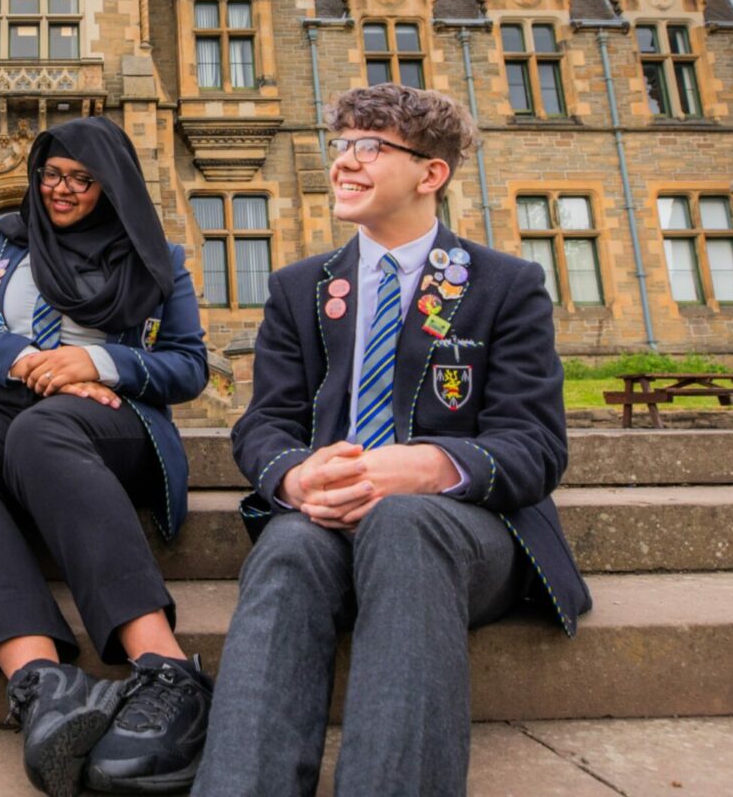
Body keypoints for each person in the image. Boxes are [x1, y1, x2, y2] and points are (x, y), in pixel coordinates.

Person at [194, 84, 590, 797]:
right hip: (327, 527)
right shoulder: (299, 289)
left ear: (430, 174)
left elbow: (535, 445)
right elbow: (265, 423)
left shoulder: (505, 285)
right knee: (285, 543)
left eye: (369, 147)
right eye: (341, 144)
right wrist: (294, 477)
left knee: (405, 523)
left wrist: (431, 466)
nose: (343, 162)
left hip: (461, 540)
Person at [0, 116, 212, 797]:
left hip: (111, 419)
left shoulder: (156, 255)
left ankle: (166, 670)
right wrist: (28, 361)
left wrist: (95, 362)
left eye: (80, 179)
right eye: (51, 175)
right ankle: (44, 683)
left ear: (111, 185)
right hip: (9, 392)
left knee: (41, 433)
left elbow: (188, 367)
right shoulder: (6, 235)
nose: (61, 191)